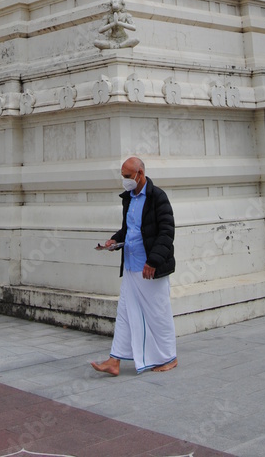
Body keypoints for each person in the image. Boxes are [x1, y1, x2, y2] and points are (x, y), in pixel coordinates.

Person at [91, 157, 177, 375]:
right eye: (123, 177)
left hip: (150, 268)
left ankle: (169, 357)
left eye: (127, 177)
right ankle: (114, 360)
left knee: (158, 313)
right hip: (131, 265)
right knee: (125, 313)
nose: (125, 181)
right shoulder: (128, 198)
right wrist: (113, 241)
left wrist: (153, 261)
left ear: (140, 174)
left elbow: (167, 232)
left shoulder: (158, 197)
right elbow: (128, 230)